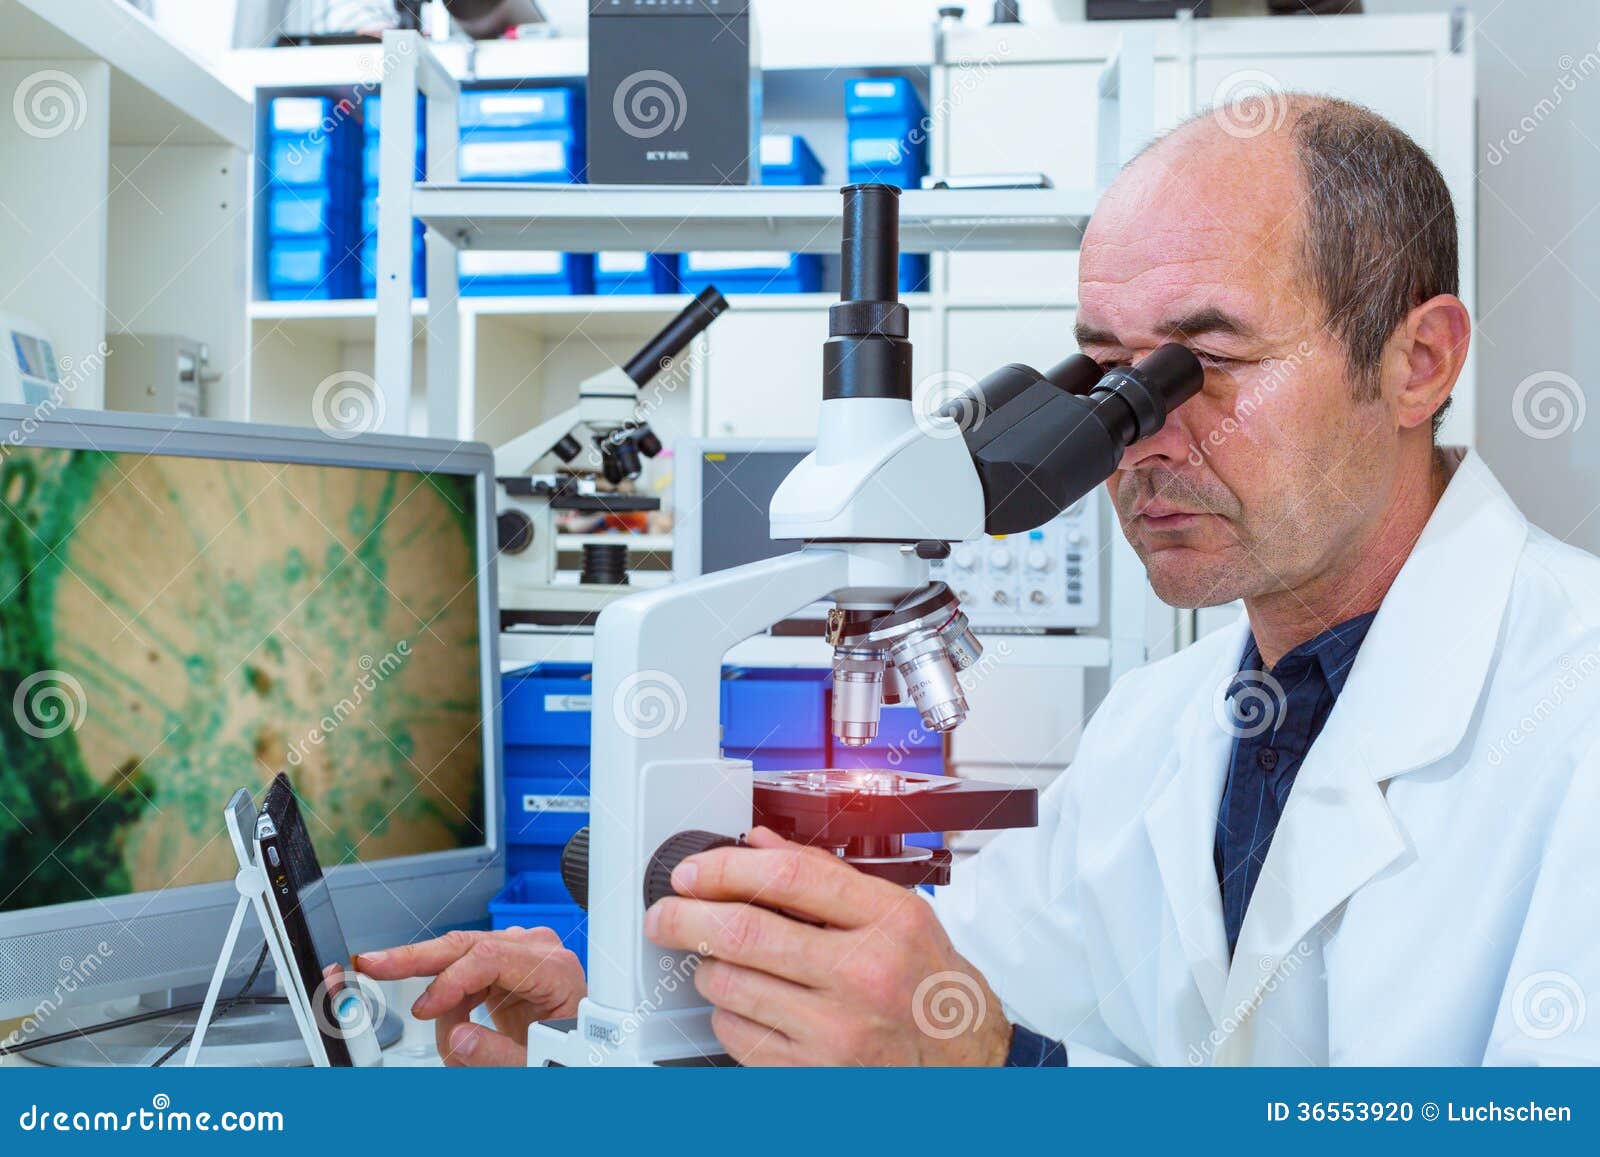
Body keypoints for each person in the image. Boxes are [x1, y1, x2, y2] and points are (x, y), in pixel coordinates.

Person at [357, 94, 1600, 1066]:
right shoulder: (1154, 732)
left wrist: (1003, 1076)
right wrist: (656, 1022)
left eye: (1204, 361)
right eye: (1106, 372)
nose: (1141, 433)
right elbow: (932, 1016)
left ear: (1416, 361)